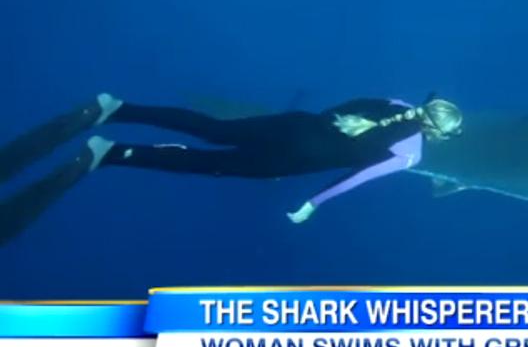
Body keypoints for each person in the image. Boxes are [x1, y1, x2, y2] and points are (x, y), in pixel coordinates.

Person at [0, 92, 462, 243]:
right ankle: (111, 152)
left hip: (293, 125)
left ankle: (115, 108)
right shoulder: (411, 155)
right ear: (437, 132)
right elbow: (352, 179)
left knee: (211, 128)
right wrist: (311, 204)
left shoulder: (396, 101)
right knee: (207, 164)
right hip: (289, 158)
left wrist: (315, 139)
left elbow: (341, 112)